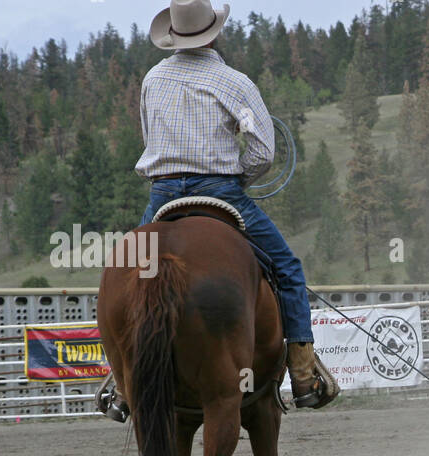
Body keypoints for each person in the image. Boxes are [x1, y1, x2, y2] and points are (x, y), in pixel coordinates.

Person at [123, 0, 336, 414]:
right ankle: (304, 375)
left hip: (163, 194)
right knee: (288, 269)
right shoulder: (235, 82)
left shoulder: (152, 79)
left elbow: (150, 138)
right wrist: (237, 177)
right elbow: (262, 152)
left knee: (132, 276)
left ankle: (120, 378)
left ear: (173, 35)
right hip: (220, 192)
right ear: (214, 31)